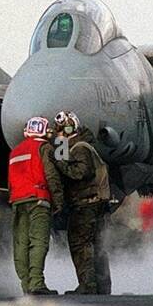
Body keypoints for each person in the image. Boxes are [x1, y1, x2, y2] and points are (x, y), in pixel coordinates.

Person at [52, 111, 112, 294]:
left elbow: (79, 173)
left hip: (86, 203)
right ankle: (102, 287)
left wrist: (59, 154)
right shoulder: (85, 145)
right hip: (95, 202)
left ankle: (88, 286)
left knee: (80, 243)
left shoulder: (79, 148)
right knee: (97, 244)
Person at [7, 116, 63, 294]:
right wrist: (59, 202)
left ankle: (26, 285)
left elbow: (10, 182)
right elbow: (51, 176)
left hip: (18, 201)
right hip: (38, 199)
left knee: (21, 243)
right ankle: (37, 284)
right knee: (38, 242)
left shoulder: (15, 151)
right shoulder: (44, 148)